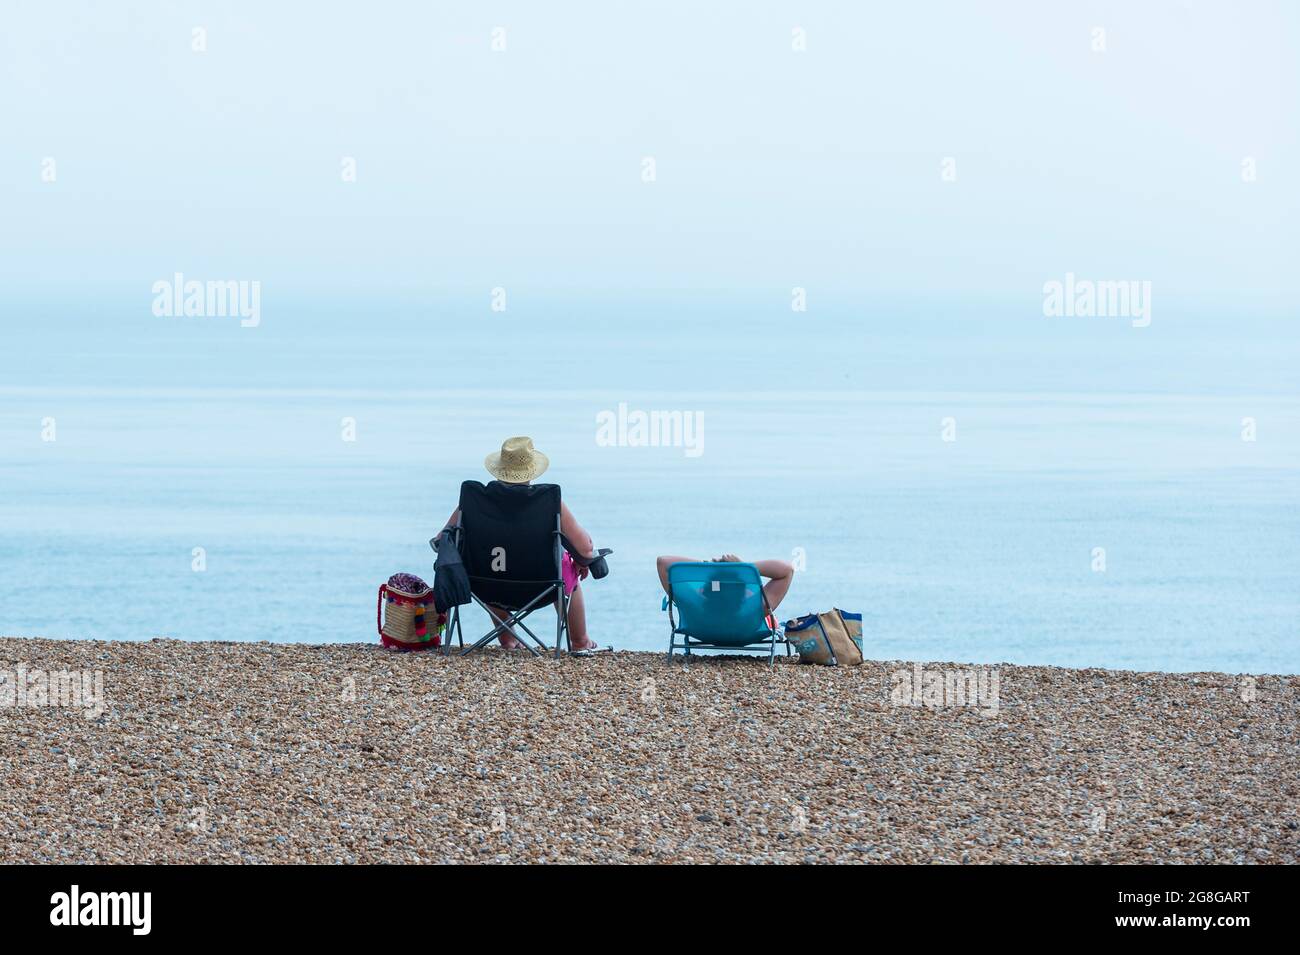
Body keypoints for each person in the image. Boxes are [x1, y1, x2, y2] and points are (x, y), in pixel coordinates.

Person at [443, 436, 606, 654]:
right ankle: (579, 642)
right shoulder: (548, 501)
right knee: (568, 569)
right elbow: (586, 548)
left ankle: (507, 638)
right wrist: (580, 560)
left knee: (488, 565)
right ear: (532, 471)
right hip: (542, 586)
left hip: (482, 585)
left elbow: (440, 539)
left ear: (499, 469)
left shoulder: (475, 501)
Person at [655, 553, 795, 612]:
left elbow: (663, 562)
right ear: (744, 590)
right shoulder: (753, 610)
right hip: (744, 636)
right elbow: (787, 570)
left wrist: (710, 566)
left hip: (703, 634)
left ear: (704, 589)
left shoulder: (694, 605)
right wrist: (744, 566)